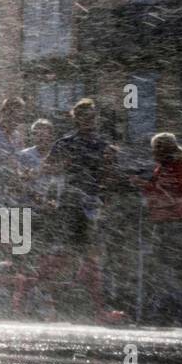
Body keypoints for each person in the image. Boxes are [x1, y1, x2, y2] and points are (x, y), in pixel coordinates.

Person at [42, 98, 126, 324]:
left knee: (92, 258)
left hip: (93, 205)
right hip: (70, 204)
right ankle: (48, 299)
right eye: (85, 116)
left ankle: (96, 308)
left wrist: (107, 192)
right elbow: (46, 168)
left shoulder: (102, 144)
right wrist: (63, 166)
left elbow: (110, 175)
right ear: (76, 118)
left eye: (93, 116)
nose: (91, 120)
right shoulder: (66, 142)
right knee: (65, 255)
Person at [141, 133, 182, 326]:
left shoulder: (176, 168)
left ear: (163, 149)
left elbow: (172, 195)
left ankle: (174, 313)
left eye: (155, 147)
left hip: (174, 222)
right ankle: (172, 312)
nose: (153, 152)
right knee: (168, 269)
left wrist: (149, 188)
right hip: (166, 222)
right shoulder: (164, 168)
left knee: (172, 269)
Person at [18, 118, 59, 204]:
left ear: (51, 135)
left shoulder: (58, 155)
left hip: (54, 205)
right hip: (30, 204)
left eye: (43, 134)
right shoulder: (25, 155)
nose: (40, 137)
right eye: (36, 134)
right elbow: (21, 180)